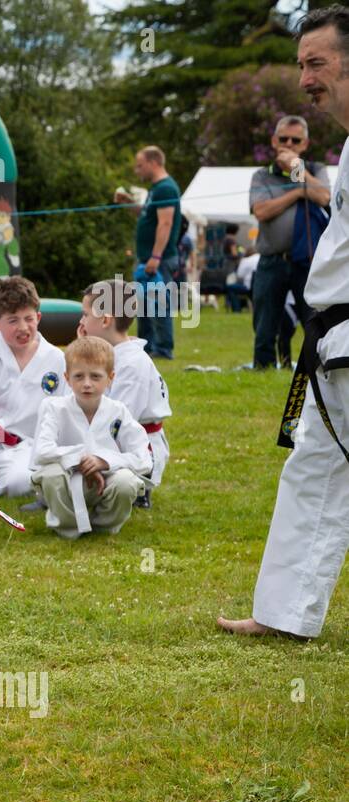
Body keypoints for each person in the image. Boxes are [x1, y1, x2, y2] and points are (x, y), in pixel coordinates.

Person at [220, 6, 349, 642]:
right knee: (313, 470)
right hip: (330, 341)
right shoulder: (346, 150)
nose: (304, 79)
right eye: (301, 65)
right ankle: (283, 614)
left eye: (316, 63)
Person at [31, 337, 150, 539]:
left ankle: (104, 526)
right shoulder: (54, 408)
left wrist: (103, 461)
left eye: (95, 376)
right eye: (79, 376)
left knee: (127, 481)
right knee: (50, 473)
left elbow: (143, 459)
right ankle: (68, 527)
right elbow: (41, 452)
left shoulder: (118, 411)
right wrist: (81, 459)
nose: (87, 384)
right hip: (67, 482)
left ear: (110, 378)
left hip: (105, 483)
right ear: (67, 378)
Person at [0, 276, 69, 499]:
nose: (23, 327)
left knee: (20, 483)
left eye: (29, 318)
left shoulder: (56, 358)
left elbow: (68, 410)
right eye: (13, 320)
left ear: (39, 317)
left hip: (29, 446)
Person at [77, 279, 171, 505]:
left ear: (106, 319)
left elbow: (117, 422)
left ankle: (138, 489)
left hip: (134, 446)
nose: (81, 321)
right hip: (106, 436)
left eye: (85, 315)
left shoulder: (132, 365)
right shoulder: (110, 355)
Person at [249, 115, 332, 369]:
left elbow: (324, 196)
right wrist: (297, 192)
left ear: (305, 144)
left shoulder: (315, 170)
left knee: (314, 320)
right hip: (271, 260)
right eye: (283, 138)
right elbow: (261, 211)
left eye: (295, 140)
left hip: (306, 261)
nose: (288, 144)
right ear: (274, 141)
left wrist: (297, 168)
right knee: (265, 324)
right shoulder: (263, 175)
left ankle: (316, 371)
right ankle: (262, 369)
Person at [115, 146, 183, 359]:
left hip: (158, 259)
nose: (137, 170)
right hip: (147, 258)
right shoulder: (156, 189)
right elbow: (147, 216)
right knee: (144, 306)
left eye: (140, 165)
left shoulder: (166, 188)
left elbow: (165, 223)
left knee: (158, 305)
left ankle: (163, 349)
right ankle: (147, 347)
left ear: (153, 163)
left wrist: (155, 256)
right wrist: (127, 203)